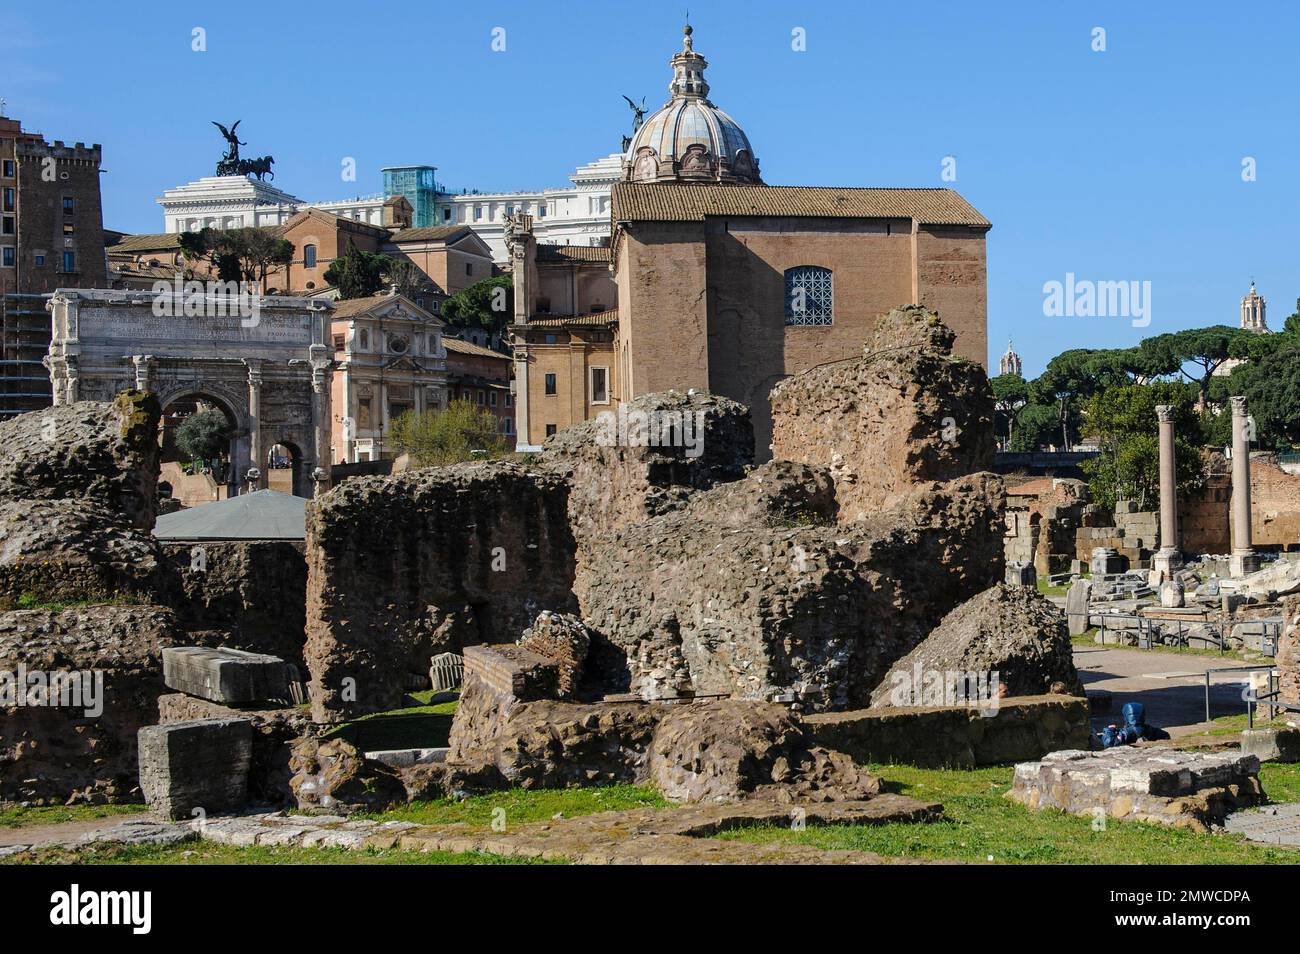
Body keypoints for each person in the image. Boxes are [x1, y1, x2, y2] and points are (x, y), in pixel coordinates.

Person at [1099, 701, 1170, 748]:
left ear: (1126, 717)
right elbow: (1166, 736)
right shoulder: (1151, 731)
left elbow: (1109, 743)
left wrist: (1109, 730)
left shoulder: (1125, 733)